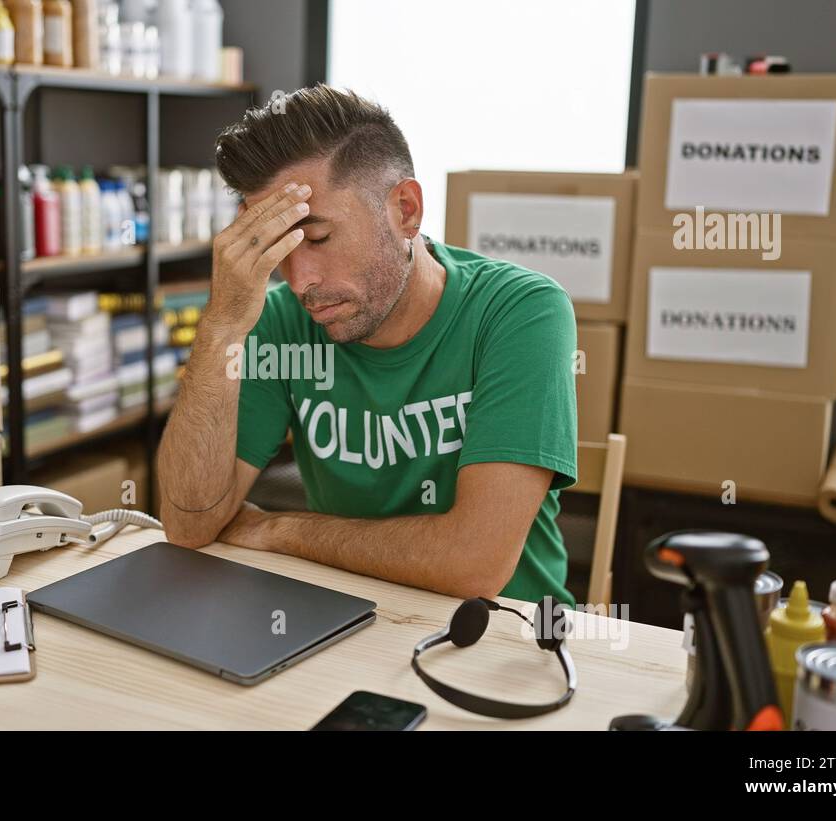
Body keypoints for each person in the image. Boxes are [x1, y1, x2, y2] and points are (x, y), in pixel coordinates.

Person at [157, 84, 578, 604]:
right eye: (277, 249)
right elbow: (188, 525)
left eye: (316, 239)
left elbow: (475, 566)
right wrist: (221, 325)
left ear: (405, 210)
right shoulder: (279, 319)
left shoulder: (521, 310)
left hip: (505, 639)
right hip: (344, 618)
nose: (300, 279)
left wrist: (277, 530)